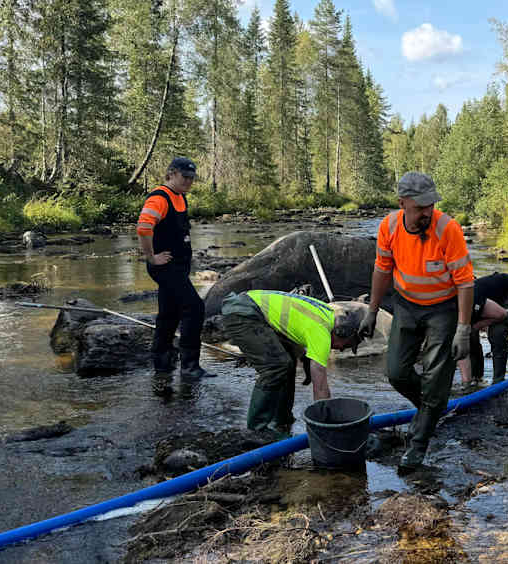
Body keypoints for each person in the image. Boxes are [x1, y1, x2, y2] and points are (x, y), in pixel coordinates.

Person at [359, 171, 475, 470]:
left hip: (443, 310)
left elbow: (464, 282)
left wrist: (463, 328)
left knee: (437, 379)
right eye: (421, 207)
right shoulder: (389, 226)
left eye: (430, 205)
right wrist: (371, 310)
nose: (427, 211)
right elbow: (382, 269)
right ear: (402, 203)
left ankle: (418, 443)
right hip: (407, 306)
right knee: (396, 371)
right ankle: (431, 409)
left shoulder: (447, 229)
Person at [220, 290, 365, 435]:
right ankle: (257, 429)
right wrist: (325, 424)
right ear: (341, 332)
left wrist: (303, 357)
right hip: (244, 313)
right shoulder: (322, 333)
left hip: (250, 308)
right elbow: (320, 387)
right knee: (276, 366)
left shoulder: (326, 315)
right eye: (345, 345)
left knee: (288, 363)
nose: (340, 349)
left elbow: (294, 329)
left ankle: (282, 419)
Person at [137, 157, 212, 390]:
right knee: (195, 308)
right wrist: (151, 257)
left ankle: (162, 362)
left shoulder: (180, 197)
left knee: (168, 313)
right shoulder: (159, 198)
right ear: (170, 174)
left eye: (192, 178)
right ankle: (190, 367)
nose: (189, 182)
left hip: (178, 267)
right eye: (184, 177)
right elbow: (143, 227)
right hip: (165, 267)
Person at [458, 272, 508, 386]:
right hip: (489, 299)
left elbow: (502, 315)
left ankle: (498, 382)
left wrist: (477, 326)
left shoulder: (471, 297)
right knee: (468, 335)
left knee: (497, 332)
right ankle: (476, 378)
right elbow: (462, 350)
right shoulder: (449, 309)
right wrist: (466, 383)